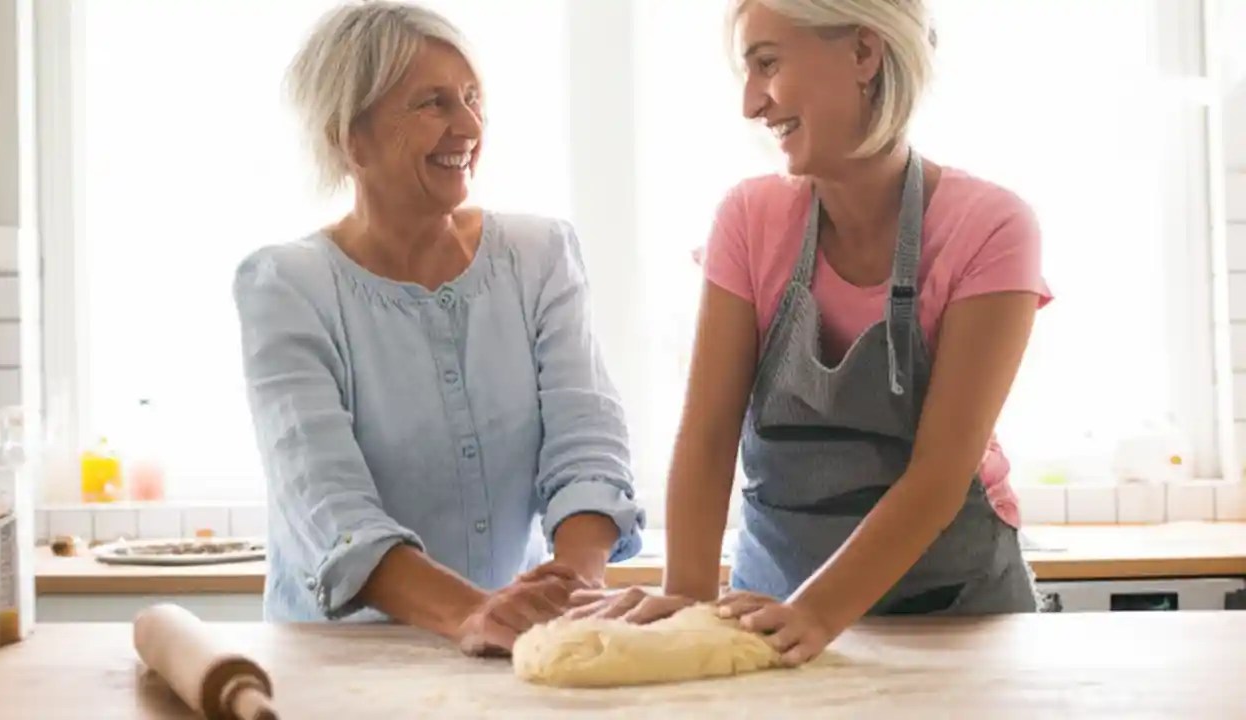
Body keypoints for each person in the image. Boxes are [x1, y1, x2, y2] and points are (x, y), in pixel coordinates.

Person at [571, 0, 1051, 666]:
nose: (750, 104)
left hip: (953, 625)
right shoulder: (749, 218)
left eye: (767, 64)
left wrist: (818, 614)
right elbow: (708, 433)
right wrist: (684, 594)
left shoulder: (991, 227)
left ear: (863, 54)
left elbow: (940, 473)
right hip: (769, 621)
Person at [233, 1, 643, 656]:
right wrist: (475, 615)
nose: (470, 125)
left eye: (473, 98)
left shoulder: (540, 255)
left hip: (515, 652)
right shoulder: (287, 286)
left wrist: (568, 586)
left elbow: (587, 441)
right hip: (343, 664)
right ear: (351, 137)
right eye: (432, 104)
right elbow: (329, 508)